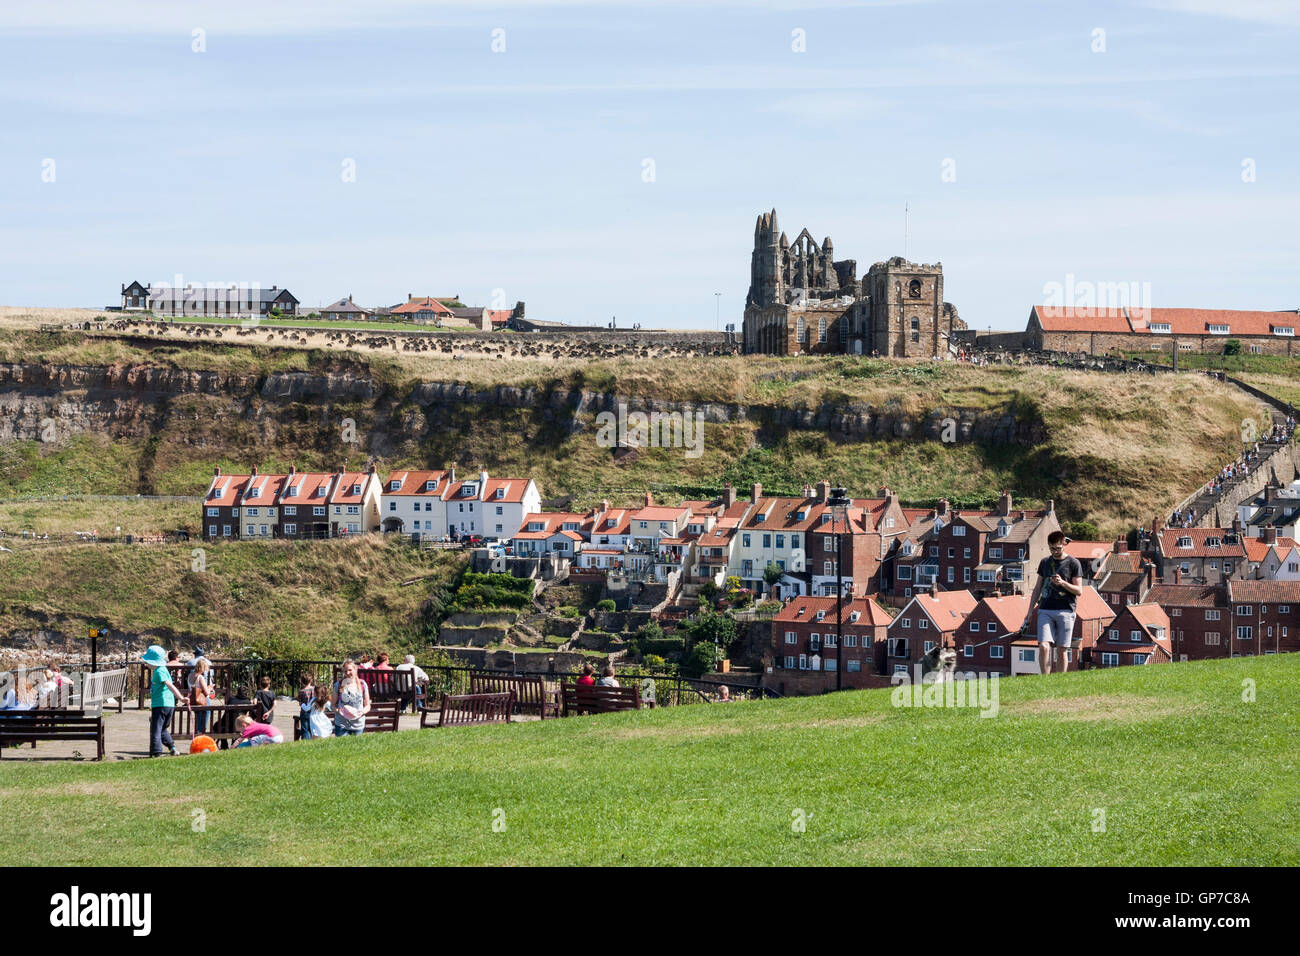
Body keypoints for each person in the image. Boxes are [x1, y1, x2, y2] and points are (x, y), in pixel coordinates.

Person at [1029, 531, 1084, 675]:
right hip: (1045, 610)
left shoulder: (1073, 563)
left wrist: (1062, 583)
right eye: (1052, 548)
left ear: (1064, 544)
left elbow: (1079, 591)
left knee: (1061, 650)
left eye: (1058, 548)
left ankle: (1059, 681)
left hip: (1066, 610)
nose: (1055, 551)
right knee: (1043, 646)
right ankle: (1045, 680)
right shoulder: (1045, 562)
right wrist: (1029, 613)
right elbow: (1037, 588)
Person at [142, 645, 190, 757]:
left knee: (156, 730)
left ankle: (156, 752)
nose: (146, 664)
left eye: (148, 662)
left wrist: (181, 698)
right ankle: (172, 748)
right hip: (168, 705)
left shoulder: (159, 671)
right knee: (162, 728)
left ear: (154, 662)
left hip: (161, 705)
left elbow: (170, 685)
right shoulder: (162, 669)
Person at [333, 660, 370, 736]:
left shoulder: (362, 684)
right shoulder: (338, 685)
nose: (348, 673)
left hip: (358, 724)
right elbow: (332, 705)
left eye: (350, 670)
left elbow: (368, 706)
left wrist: (362, 712)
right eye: (345, 671)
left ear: (355, 669)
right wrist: (338, 710)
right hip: (341, 724)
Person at [190, 658, 215, 735]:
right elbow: (207, 693)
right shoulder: (200, 677)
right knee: (204, 720)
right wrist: (210, 687)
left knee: (198, 720)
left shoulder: (190, 676)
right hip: (203, 701)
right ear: (202, 667)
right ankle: (201, 734)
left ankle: (198, 733)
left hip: (194, 700)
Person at [296, 674, 317, 739]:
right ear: (311, 681)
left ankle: (305, 741)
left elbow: (300, 703)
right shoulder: (314, 689)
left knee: (305, 729)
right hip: (313, 711)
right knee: (312, 728)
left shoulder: (301, 692)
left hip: (304, 712)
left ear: (302, 682)